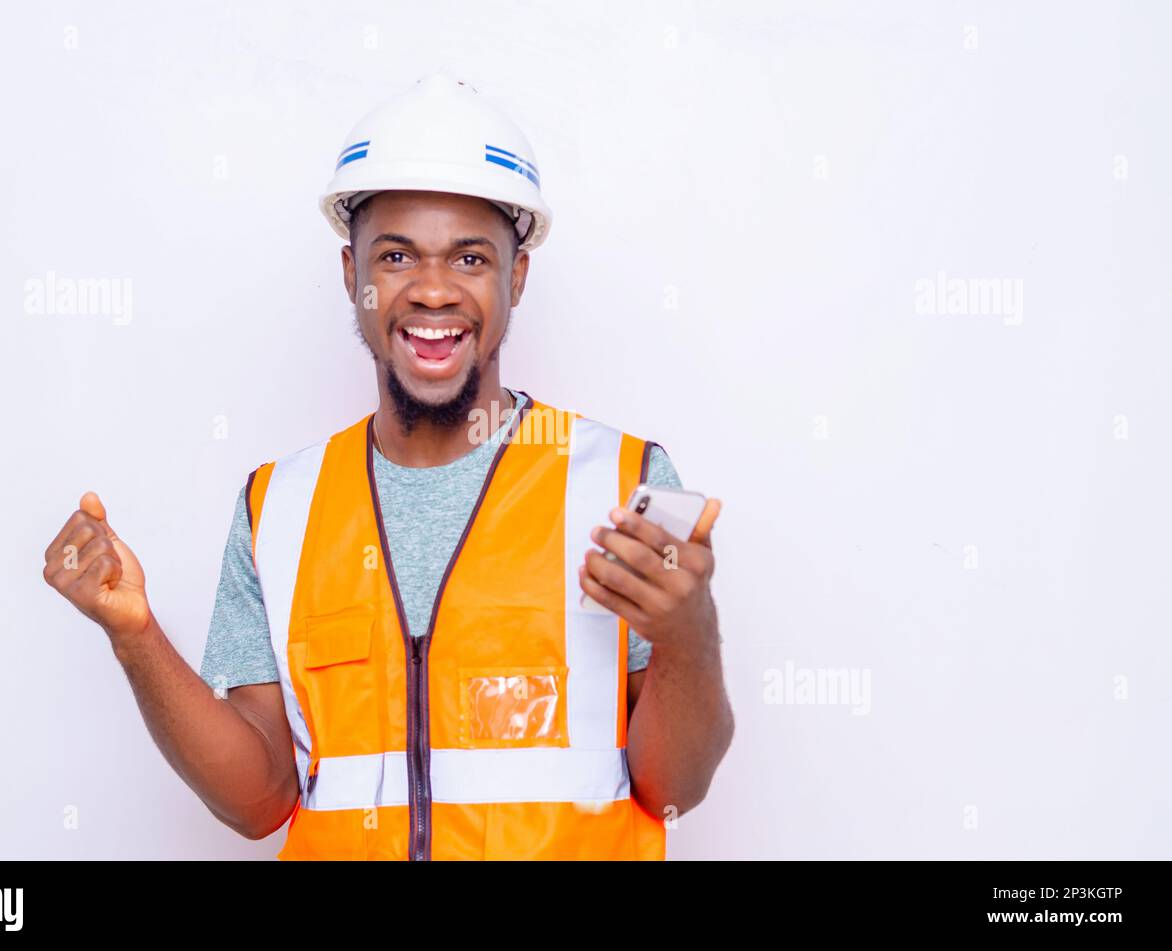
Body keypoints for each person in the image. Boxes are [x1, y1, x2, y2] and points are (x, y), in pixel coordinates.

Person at [42, 72, 733, 860]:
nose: (433, 290)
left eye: (470, 258)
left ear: (517, 277)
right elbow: (260, 799)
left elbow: (672, 789)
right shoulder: (281, 506)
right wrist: (134, 635)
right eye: (397, 255)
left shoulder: (620, 484)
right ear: (353, 275)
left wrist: (689, 635)